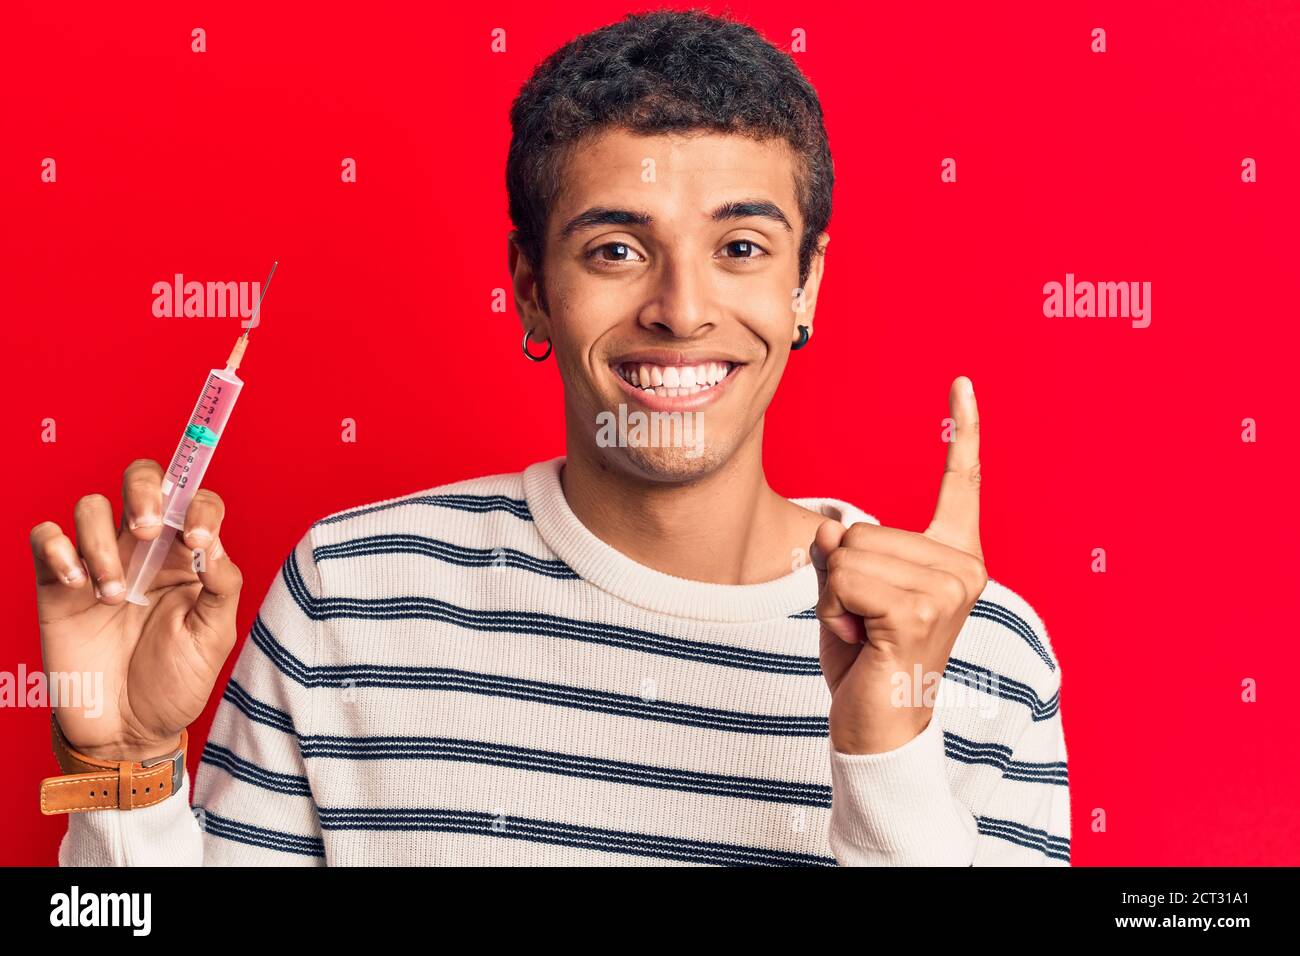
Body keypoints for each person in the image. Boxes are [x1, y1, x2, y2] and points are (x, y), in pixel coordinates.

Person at [31, 9, 1069, 866]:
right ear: (531, 290)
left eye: (741, 247)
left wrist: (887, 752)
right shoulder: (350, 592)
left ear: (806, 286)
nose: (681, 308)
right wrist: (125, 764)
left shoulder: (967, 650)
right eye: (617, 248)